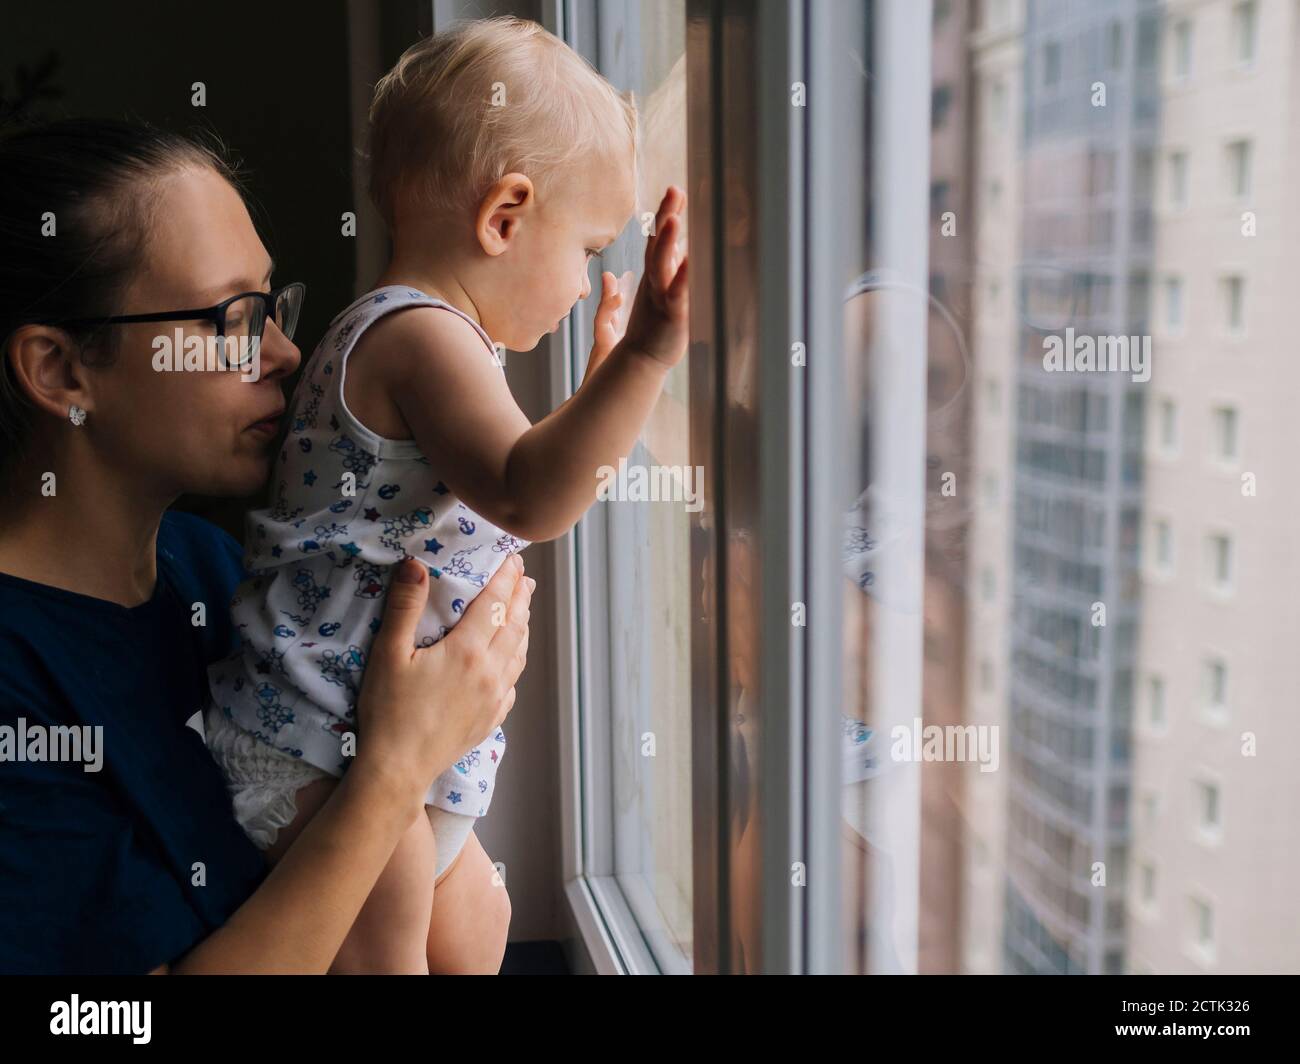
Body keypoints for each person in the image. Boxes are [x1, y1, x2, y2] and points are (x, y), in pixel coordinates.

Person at [203, 15, 689, 974]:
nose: (586, 283)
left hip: (381, 755)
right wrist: (645, 359)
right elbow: (530, 493)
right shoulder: (419, 338)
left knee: (479, 940)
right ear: (504, 217)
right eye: (587, 249)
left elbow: (525, 472)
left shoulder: (430, 339)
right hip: (321, 757)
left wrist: (603, 390)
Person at [0, 117, 532, 975]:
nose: (286, 352)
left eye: (273, 306)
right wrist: (397, 766)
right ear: (62, 371)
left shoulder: (210, 568)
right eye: (232, 318)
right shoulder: (17, 681)